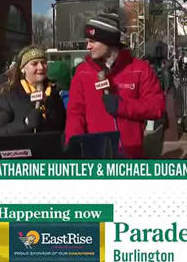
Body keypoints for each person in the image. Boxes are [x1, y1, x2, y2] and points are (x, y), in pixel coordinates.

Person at [64, 10, 166, 158]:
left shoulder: (139, 69)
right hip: (95, 157)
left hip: (131, 156)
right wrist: (73, 147)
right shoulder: (82, 72)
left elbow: (157, 107)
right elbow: (75, 114)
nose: (88, 46)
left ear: (109, 40)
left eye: (92, 41)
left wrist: (122, 106)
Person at [0, 45, 66, 136]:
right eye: (34, 64)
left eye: (44, 62)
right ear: (23, 69)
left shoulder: (54, 95)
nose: (41, 67)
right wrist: (26, 123)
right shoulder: (6, 97)